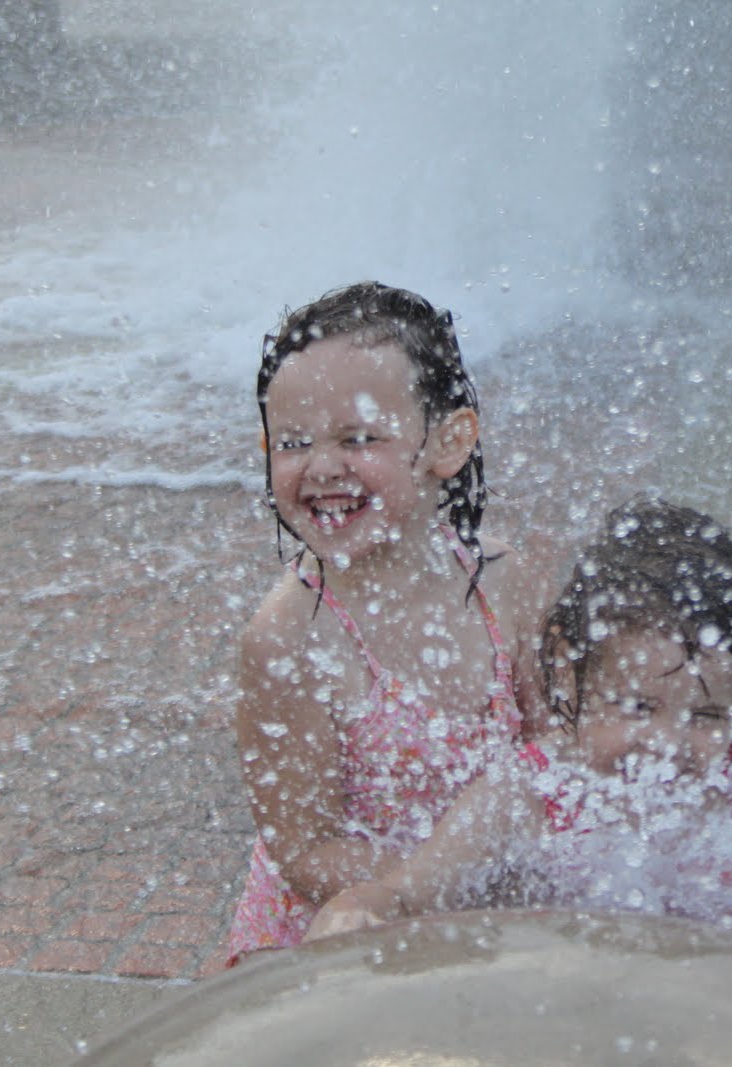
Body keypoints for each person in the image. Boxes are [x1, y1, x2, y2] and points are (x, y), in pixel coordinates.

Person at [304, 498, 732, 988]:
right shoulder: (530, 793)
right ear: (568, 670)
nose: (669, 744)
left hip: (731, 1010)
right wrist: (362, 908)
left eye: (707, 715)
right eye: (637, 708)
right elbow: (413, 890)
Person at [226, 282, 549, 961]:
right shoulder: (289, 639)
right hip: (349, 936)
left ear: (449, 442)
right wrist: (444, 885)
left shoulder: (505, 584)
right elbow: (305, 849)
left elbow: (553, 750)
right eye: (293, 442)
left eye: (359, 437)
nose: (322, 467)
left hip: (491, 906)